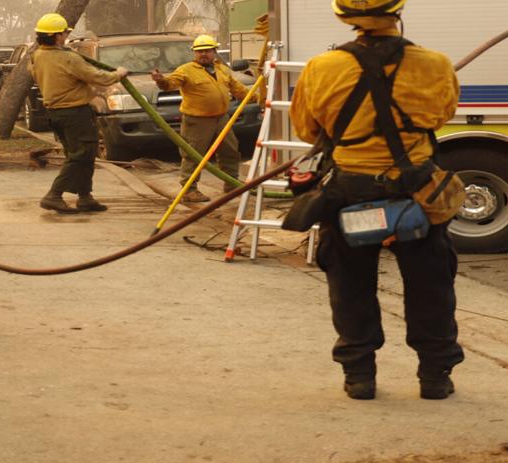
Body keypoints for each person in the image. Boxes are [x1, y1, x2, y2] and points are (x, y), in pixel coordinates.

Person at [290, 0, 466, 401]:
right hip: (418, 191)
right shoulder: (435, 64)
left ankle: (359, 376)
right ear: (397, 13)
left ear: (343, 16)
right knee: (431, 284)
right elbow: (442, 116)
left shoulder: (321, 68)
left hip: (350, 190)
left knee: (350, 285)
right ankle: (435, 376)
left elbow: (306, 129)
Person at [28, 13, 128, 213]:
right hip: (74, 113)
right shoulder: (68, 58)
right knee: (81, 154)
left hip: (56, 114)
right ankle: (53, 195)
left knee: (84, 155)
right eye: (64, 33)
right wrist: (119, 73)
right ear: (57, 36)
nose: (66, 36)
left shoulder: (37, 56)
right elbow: (97, 76)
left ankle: (85, 197)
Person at [148, 34, 249, 204]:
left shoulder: (222, 69)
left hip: (222, 118)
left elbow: (238, 89)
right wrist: (161, 81)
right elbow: (171, 83)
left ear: (214, 52)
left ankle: (231, 183)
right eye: (200, 51)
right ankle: (189, 190)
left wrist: (259, 97)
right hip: (197, 121)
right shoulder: (186, 70)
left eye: (207, 50)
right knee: (193, 154)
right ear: (194, 53)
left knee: (230, 150)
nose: (204, 54)